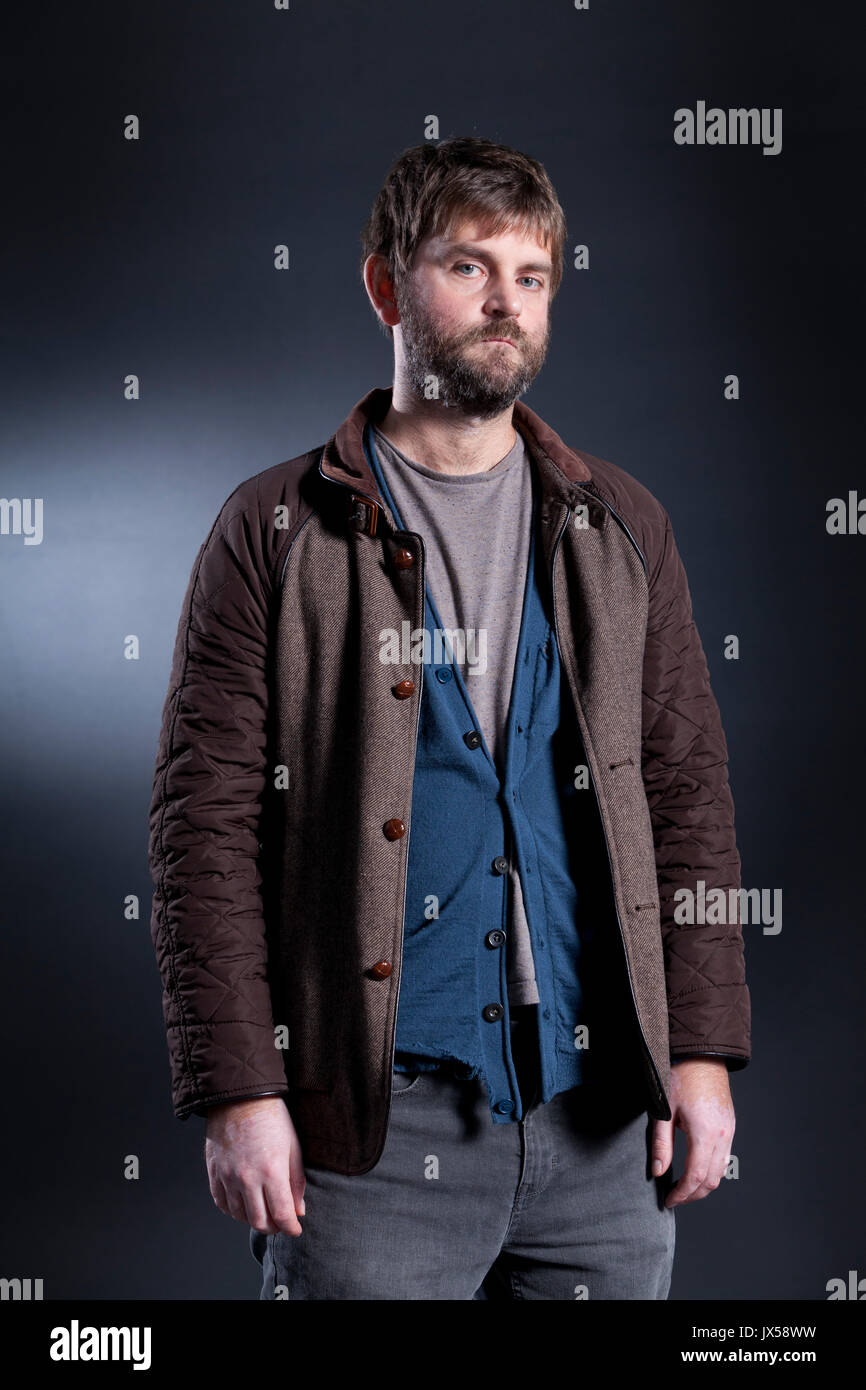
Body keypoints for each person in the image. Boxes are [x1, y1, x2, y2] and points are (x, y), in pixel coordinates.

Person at [147, 136, 750, 1301]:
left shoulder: (619, 525)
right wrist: (238, 1088)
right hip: (365, 1127)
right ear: (384, 285)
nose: (504, 304)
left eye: (530, 278)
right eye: (467, 267)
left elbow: (684, 796)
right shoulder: (273, 528)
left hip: (600, 1120)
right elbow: (201, 829)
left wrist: (702, 1055)